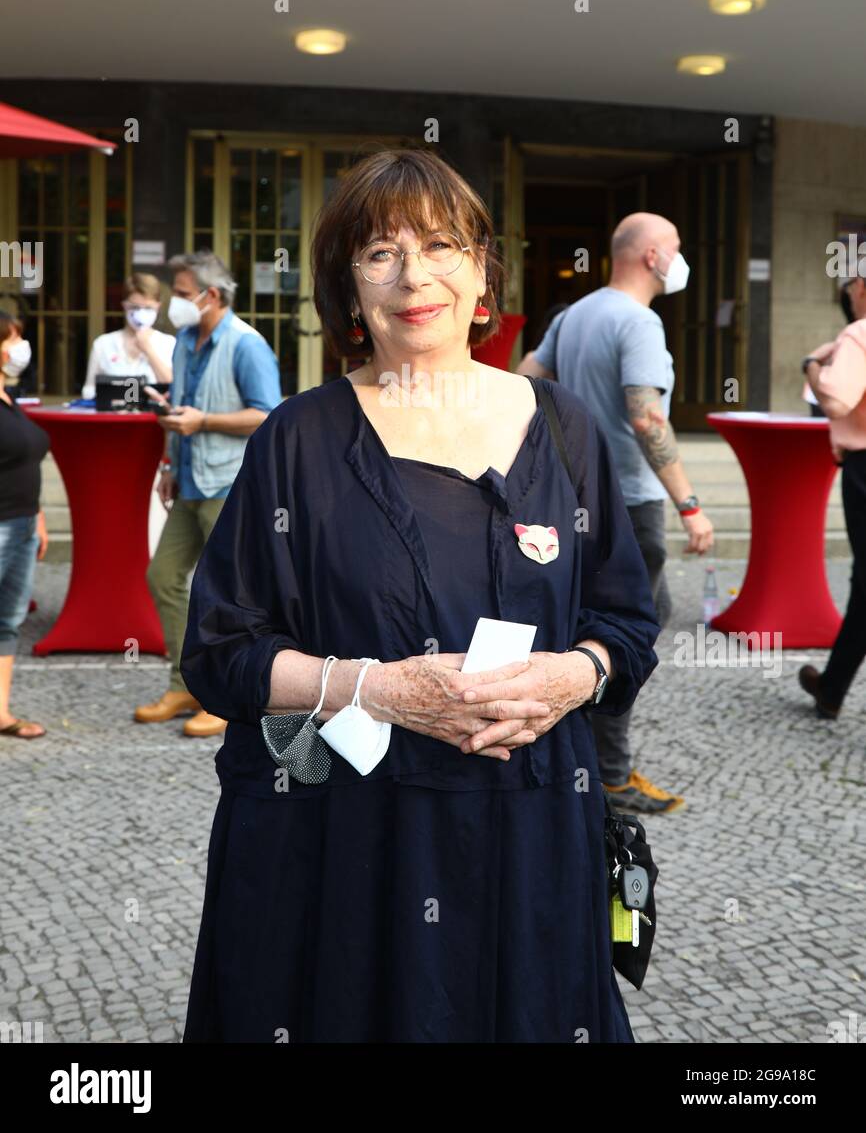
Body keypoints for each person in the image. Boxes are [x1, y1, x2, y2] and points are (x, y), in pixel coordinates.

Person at [178, 149, 659, 1043]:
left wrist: (574, 675)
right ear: (348, 290)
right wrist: (377, 689)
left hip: (531, 831)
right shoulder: (298, 441)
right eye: (379, 252)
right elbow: (218, 653)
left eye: (441, 244)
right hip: (352, 845)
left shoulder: (565, 430)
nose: (413, 275)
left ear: (482, 271)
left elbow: (625, 622)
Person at [518, 213, 714, 815]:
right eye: (676, 249)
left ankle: (585, 753)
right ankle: (608, 772)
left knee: (603, 624)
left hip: (576, 496)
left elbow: (528, 374)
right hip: (629, 500)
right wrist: (690, 504)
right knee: (631, 631)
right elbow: (647, 416)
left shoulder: (577, 313)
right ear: (652, 256)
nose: (681, 261)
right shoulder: (640, 322)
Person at [134, 252, 282, 739]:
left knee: (224, 597)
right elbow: (181, 406)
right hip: (191, 478)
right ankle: (184, 684)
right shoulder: (183, 340)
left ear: (210, 295)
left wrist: (205, 422)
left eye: (179, 293)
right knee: (164, 576)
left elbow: (267, 415)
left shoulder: (247, 345)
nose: (173, 304)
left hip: (230, 484)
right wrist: (169, 461)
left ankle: (223, 696)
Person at [799, 273, 866, 719]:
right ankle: (832, 687)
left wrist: (811, 366)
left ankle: (831, 687)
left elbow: (837, 403)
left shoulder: (858, 334)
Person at [0, 312, 50, 740]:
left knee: (8, 620)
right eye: (13, 339)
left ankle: (0, 712)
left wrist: (38, 517)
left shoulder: (11, 398)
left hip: (20, 523)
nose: (20, 348)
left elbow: (22, 462)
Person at [81, 272, 175, 400]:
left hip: (152, 418)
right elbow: (89, 389)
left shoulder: (168, 343)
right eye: (134, 307)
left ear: (158, 307)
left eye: (148, 307)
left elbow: (172, 386)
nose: (141, 313)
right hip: (113, 417)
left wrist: (148, 350)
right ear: (124, 306)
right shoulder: (103, 344)